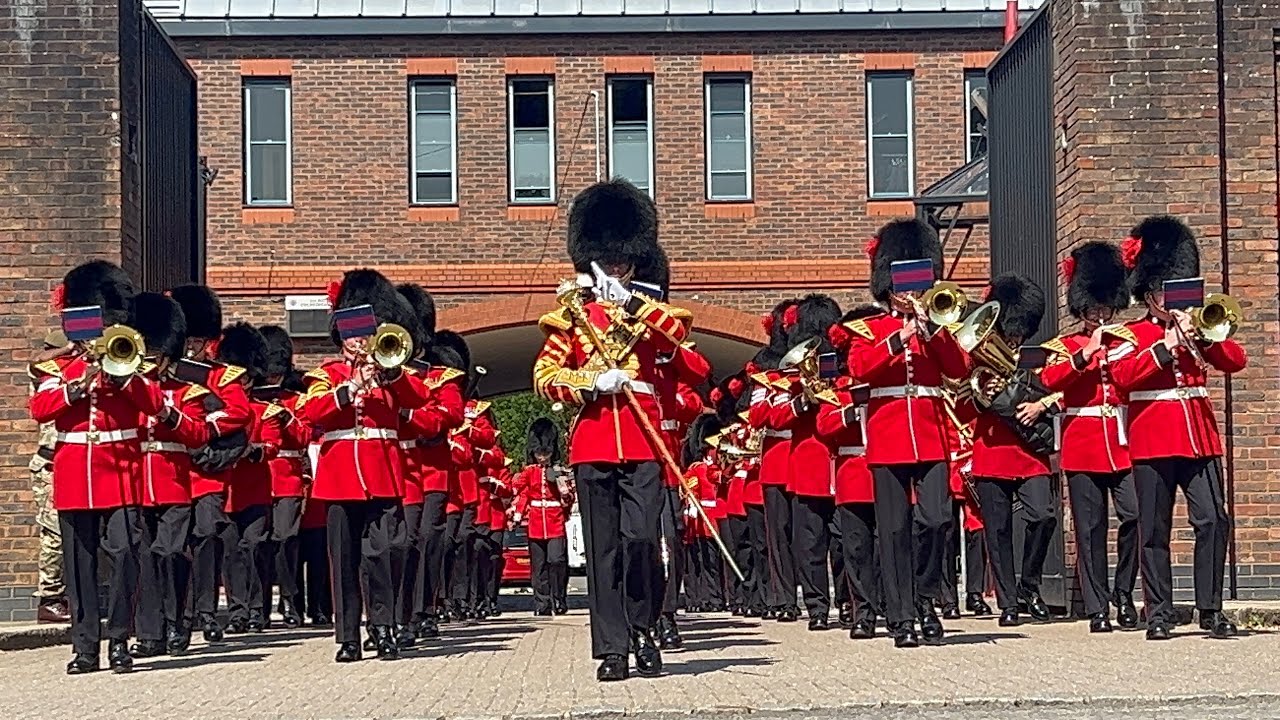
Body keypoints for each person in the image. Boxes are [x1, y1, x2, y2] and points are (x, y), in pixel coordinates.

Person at [533, 179, 692, 682]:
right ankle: (613, 646)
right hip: (594, 442)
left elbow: (678, 335)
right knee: (603, 550)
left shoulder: (650, 312)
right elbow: (545, 378)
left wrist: (632, 303)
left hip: (644, 443)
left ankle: (646, 628)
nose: (618, 265)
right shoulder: (570, 320)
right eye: (610, 257)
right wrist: (590, 382)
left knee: (642, 540)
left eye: (626, 258)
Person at [1108, 216, 1246, 641]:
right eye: (1162, 291)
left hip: (1199, 437)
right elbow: (1123, 378)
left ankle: (1210, 608)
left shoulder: (1198, 329)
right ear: (1148, 295)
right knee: (1155, 529)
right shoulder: (1129, 335)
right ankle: (1159, 613)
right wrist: (1166, 349)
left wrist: (1202, 339)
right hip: (1152, 438)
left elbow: (1235, 361)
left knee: (1213, 520)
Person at [32, 261, 166, 674]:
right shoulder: (58, 369)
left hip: (120, 473)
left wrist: (123, 378)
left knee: (125, 553)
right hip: (75, 474)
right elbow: (40, 409)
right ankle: (85, 646)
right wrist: (79, 384)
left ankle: (120, 639)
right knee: (79, 565)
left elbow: (156, 406)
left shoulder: (132, 369)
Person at [845, 219, 969, 647]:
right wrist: (900, 339)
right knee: (894, 530)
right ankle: (900, 616)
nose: (912, 293)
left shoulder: (938, 325)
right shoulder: (868, 331)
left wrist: (931, 330)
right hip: (889, 434)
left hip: (931, 433)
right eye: (903, 284)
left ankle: (925, 599)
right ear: (888, 285)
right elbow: (860, 369)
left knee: (936, 521)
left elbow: (958, 368)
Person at [301, 269, 432, 662]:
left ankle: (383, 627)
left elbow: (421, 398)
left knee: (383, 555)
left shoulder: (393, 375)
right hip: (339, 479)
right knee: (343, 562)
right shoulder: (326, 375)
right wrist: (350, 389)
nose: (359, 341)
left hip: (382, 475)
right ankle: (348, 638)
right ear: (341, 336)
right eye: (353, 333)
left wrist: (390, 375)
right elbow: (312, 412)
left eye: (366, 332)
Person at [1039, 241, 1140, 633]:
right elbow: (1049, 380)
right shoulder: (1064, 347)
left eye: (1106, 308)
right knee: (1091, 528)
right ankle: (1098, 606)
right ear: (1081, 309)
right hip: (1083, 444)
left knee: (1135, 516)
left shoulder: (1127, 343)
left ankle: (1125, 593)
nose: (1101, 315)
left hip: (1122, 441)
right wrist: (1086, 355)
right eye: (1094, 309)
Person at [964, 273, 1057, 627]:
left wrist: (1042, 406)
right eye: (1012, 328)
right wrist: (980, 393)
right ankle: (1007, 602)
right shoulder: (980, 355)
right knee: (997, 529)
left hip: (1029, 450)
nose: (1015, 335)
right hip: (992, 448)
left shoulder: (1036, 355)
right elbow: (962, 402)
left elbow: (1059, 391)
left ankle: (1028, 585)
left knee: (1043, 514)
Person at [170, 284, 254, 644]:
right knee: (174, 545)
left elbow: (239, 412)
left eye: (197, 341)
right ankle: (178, 614)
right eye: (187, 341)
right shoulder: (165, 373)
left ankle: (206, 611)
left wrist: (203, 426)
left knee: (206, 537)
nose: (192, 348)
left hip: (207, 473)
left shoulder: (224, 376)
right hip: (172, 471)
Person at [129, 293, 209, 658]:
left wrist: (165, 412)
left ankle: (179, 620)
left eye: (155, 358)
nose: (149, 364)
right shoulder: (127, 392)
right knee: (145, 559)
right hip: (136, 484)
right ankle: (151, 633)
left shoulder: (187, 392)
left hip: (174, 484)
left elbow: (197, 434)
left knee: (171, 553)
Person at [396, 283, 466, 640]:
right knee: (402, 541)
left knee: (427, 540)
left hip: (434, 472)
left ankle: (423, 609)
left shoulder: (441, 377)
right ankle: (399, 612)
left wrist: (414, 415)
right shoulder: (389, 375)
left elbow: (450, 415)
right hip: (400, 470)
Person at [773, 294, 843, 631]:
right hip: (809, 467)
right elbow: (772, 416)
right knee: (811, 544)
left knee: (846, 543)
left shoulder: (844, 370)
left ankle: (848, 602)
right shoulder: (791, 377)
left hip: (842, 466)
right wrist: (803, 401)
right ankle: (817, 606)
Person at [820, 305, 881, 639]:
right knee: (856, 549)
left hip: (885, 470)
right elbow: (824, 425)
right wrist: (849, 414)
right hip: (854, 475)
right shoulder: (838, 388)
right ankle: (862, 611)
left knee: (888, 543)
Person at [748, 299, 802, 622]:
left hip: (806, 457)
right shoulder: (766, 376)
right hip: (777, 458)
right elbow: (757, 416)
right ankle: (783, 597)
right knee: (778, 535)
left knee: (805, 534)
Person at [219, 323, 274, 634]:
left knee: (253, 547)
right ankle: (239, 611)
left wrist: (254, 451)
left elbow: (273, 445)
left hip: (254, 490)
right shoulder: (221, 406)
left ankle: (258, 609)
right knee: (232, 553)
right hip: (227, 490)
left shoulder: (261, 410)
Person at [258, 327, 311, 630]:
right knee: (260, 542)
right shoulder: (252, 398)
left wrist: (286, 419)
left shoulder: (296, 400)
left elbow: (305, 435)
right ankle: (260, 606)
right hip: (260, 476)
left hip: (288, 477)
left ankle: (291, 601)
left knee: (286, 539)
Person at [28, 330, 71, 625]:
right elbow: (34, 362)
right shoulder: (46, 372)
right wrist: (67, 349)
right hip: (50, 464)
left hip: (73, 460)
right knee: (54, 533)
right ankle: (50, 598)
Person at [514, 418, 573, 616]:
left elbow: (568, 497)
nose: (542, 457)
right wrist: (517, 514)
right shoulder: (529, 472)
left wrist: (565, 494)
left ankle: (559, 597)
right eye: (539, 453)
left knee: (557, 560)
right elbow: (523, 494)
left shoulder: (558, 471)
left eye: (545, 453)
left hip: (555, 521)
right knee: (538, 567)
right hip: (536, 523)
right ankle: (542, 603)